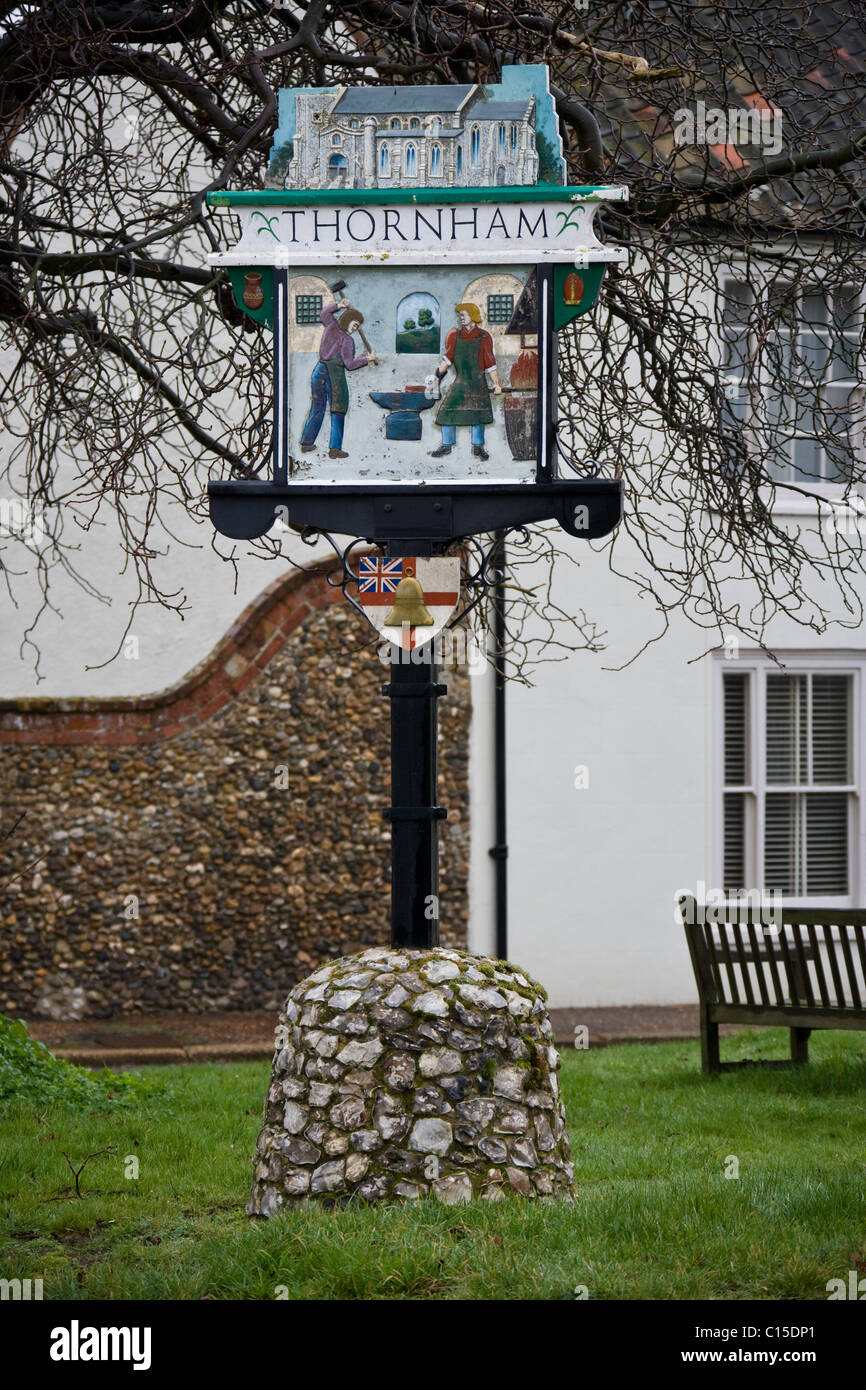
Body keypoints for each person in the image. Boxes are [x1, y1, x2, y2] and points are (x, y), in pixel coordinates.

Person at [300, 297, 378, 458]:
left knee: (318, 407)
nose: (355, 329)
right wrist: (367, 359)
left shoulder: (331, 326)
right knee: (338, 409)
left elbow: (323, 314)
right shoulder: (347, 340)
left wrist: (338, 305)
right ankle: (334, 449)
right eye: (355, 325)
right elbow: (349, 364)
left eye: (357, 327)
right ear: (348, 320)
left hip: (319, 371)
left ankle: (307, 443)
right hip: (334, 375)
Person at [430, 301, 501, 462]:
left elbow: (490, 363)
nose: (461, 318)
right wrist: (436, 378)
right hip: (461, 381)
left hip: (478, 382)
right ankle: (446, 445)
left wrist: (496, 384)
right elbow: (447, 360)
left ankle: (478, 447)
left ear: (473, 316)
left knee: (478, 415)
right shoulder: (454, 335)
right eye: (459, 315)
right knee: (446, 411)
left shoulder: (484, 336)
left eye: (464, 314)